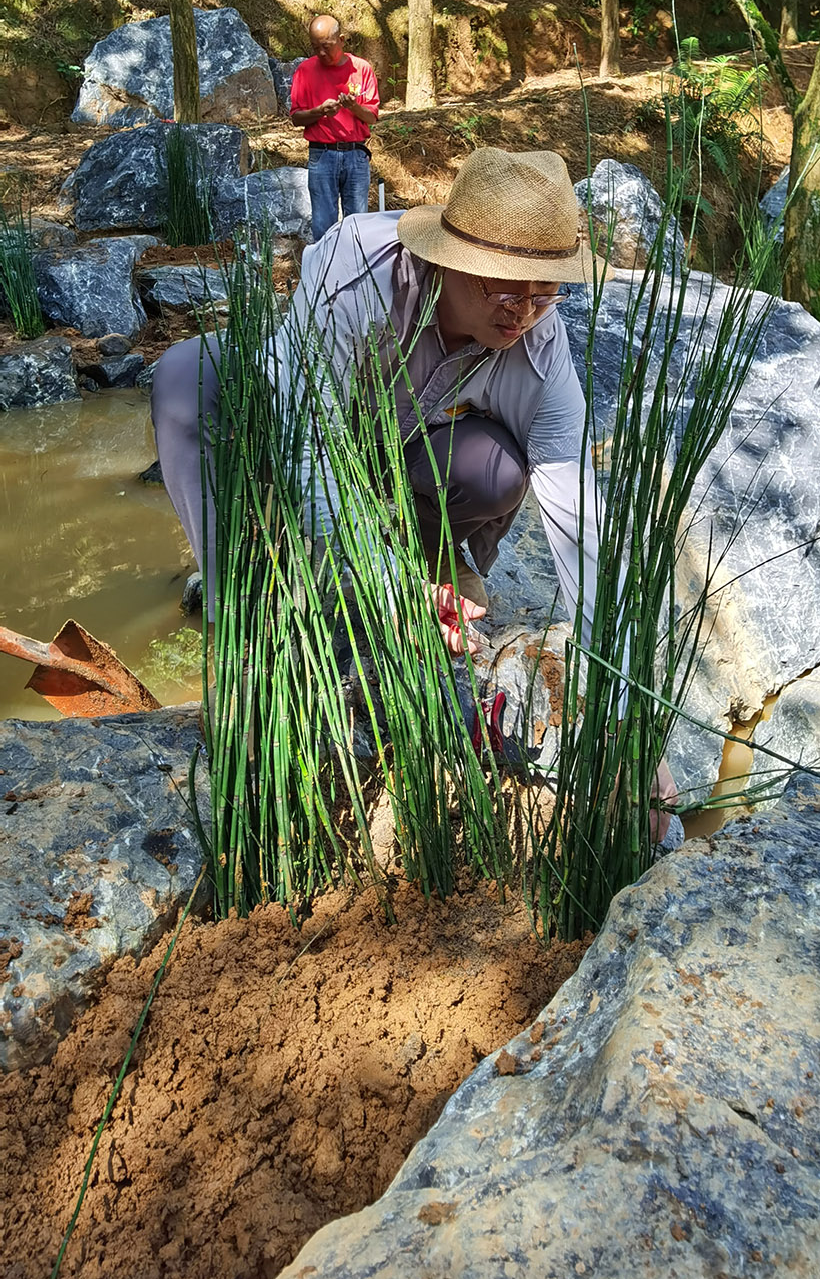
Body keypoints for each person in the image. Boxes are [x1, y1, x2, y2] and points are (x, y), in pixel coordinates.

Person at [150, 146, 677, 832]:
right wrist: (382, 578)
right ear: (451, 258)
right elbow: (307, 439)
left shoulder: (542, 348)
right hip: (310, 421)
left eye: (546, 290)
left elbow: (582, 523)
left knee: (499, 468)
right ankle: (235, 617)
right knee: (184, 376)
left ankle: (445, 568)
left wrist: (628, 715)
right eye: (505, 288)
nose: (525, 312)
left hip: (414, 451)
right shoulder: (356, 270)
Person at [290, 13, 380, 240]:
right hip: (321, 154)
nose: (321, 52)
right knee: (323, 225)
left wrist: (354, 107)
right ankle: (324, 273)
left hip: (356, 154)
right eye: (315, 47)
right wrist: (319, 111)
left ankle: (356, 271)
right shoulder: (305, 71)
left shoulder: (361, 69)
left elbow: (372, 117)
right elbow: (296, 118)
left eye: (326, 46)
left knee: (358, 224)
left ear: (341, 39)